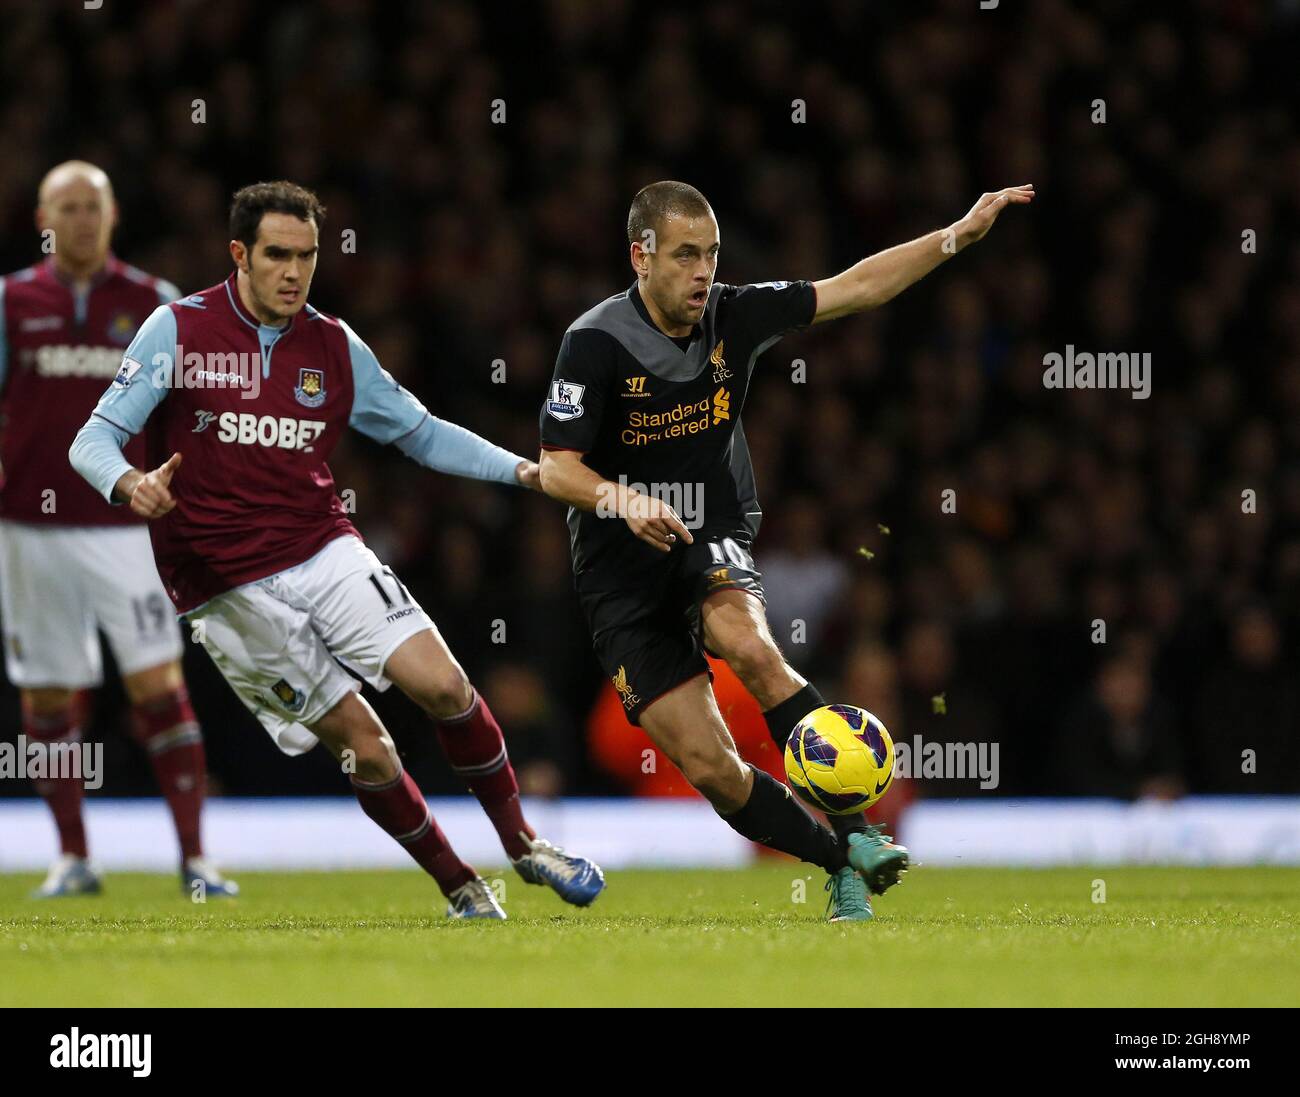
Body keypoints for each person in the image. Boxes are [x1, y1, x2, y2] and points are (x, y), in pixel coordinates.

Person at [70, 180, 603, 918]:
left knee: (445, 686)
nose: (294, 272)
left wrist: (524, 470)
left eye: (308, 256)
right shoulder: (178, 329)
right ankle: (461, 885)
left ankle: (524, 845)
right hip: (223, 585)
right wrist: (129, 483)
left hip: (321, 545)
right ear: (239, 255)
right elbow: (90, 439)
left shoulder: (333, 344)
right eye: (278, 255)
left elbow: (419, 431)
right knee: (369, 746)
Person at [538, 179, 1032, 920]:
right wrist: (622, 499)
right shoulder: (594, 341)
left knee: (748, 643)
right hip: (619, 571)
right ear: (639, 256)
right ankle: (841, 862)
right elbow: (556, 468)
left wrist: (956, 234)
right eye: (683, 256)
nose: (703, 271)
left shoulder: (736, 314)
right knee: (713, 770)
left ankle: (861, 830)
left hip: (708, 531)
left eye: (710, 253)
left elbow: (857, 288)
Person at [0, 161, 233, 898]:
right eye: (65, 208)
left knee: (157, 683)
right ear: (43, 216)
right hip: (27, 532)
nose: (79, 220)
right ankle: (72, 856)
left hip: (124, 525)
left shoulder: (153, 303)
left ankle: (196, 859)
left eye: (91, 207)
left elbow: (184, 409)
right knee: (46, 697)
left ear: (113, 216)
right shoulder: (10, 303)